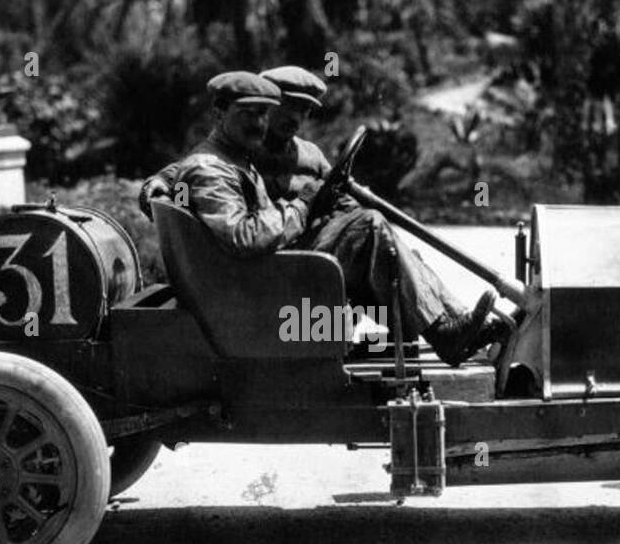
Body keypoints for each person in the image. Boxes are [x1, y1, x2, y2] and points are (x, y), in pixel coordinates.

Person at [141, 70, 497, 366]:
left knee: (379, 235)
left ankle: (447, 322)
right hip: (271, 274)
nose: (288, 119)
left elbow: (333, 193)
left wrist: (338, 204)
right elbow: (194, 176)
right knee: (371, 230)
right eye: (284, 107)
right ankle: (441, 332)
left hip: (285, 255)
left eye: (303, 110)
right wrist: (157, 185)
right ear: (222, 113)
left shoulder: (298, 155)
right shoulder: (227, 157)